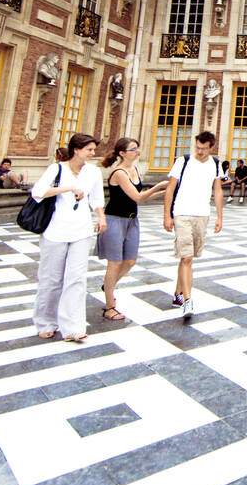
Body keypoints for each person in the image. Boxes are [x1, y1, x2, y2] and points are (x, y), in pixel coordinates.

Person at [31, 133, 106, 342]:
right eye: (89, 149)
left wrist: (101, 217)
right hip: (55, 230)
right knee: (51, 278)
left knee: (77, 278)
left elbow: (97, 199)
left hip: (82, 230)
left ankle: (73, 326)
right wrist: (70, 187)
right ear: (76, 149)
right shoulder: (57, 169)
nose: (93, 153)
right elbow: (37, 192)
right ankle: (45, 321)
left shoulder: (93, 172)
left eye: (93, 149)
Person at [98, 137, 167, 322]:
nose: (137, 151)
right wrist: (159, 186)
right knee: (115, 263)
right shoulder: (119, 172)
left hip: (131, 220)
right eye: (133, 149)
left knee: (130, 261)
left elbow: (141, 198)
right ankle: (109, 306)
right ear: (122, 153)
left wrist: (162, 193)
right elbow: (137, 196)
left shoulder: (135, 169)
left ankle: (108, 286)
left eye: (137, 148)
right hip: (114, 220)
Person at [163, 131, 222, 320]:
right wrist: (167, 215)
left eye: (204, 148)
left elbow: (218, 191)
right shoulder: (183, 161)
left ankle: (178, 294)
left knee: (188, 258)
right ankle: (188, 301)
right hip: (182, 213)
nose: (200, 151)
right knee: (187, 257)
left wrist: (219, 217)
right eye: (197, 147)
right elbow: (170, 188)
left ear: (211, 147)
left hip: (202, 214)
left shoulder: (216, 164)